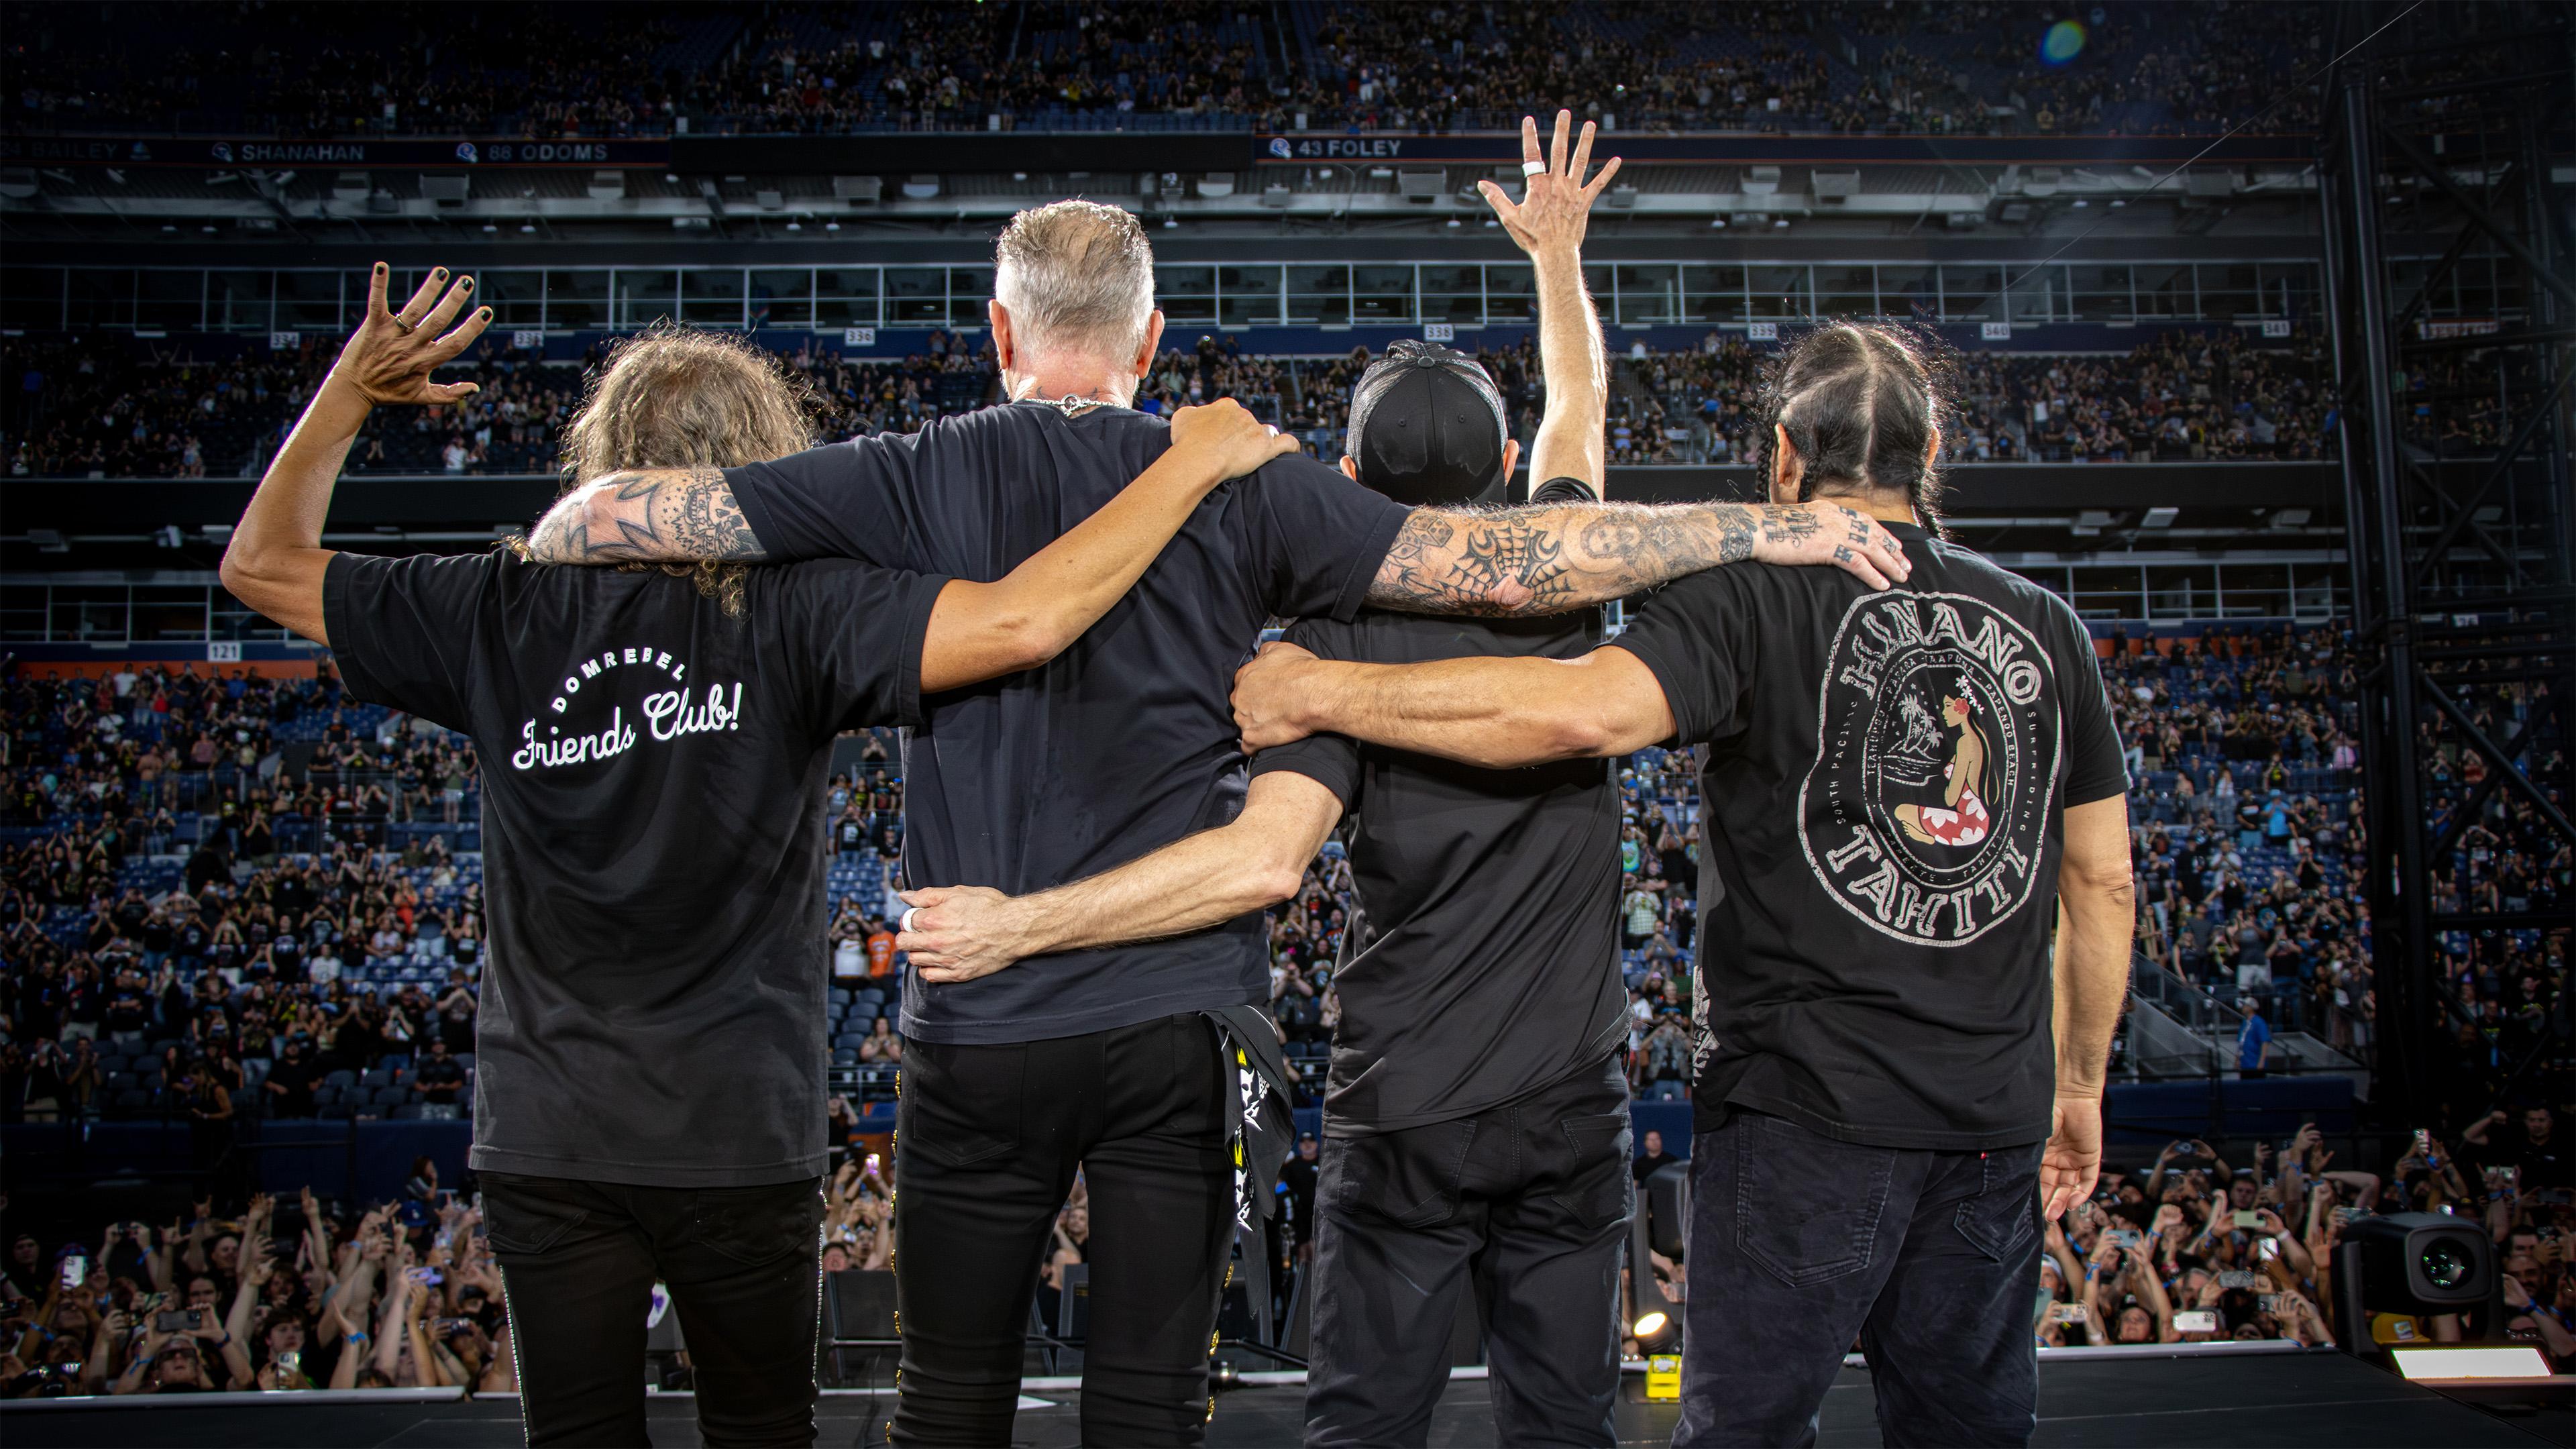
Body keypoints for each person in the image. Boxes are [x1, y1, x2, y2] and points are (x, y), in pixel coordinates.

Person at [523, 129, 1911, 1446]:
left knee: (948, 1410)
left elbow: (613, 518)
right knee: (1153, 1416)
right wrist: (1772, 526)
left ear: (1000, 337)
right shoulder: (1254, 488)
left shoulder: (910, 472)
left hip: (988, 1018)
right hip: (1184, 1023)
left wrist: (562, 534)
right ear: (1152, 343)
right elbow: (1515, 561)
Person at [215, 265, 1299, 1446]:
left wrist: (351, 392)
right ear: (765, 464)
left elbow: (260, 563)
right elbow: (1026, 619)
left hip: (548, 1126)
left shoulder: (491, 608)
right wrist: (1185, 464)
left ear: (606, 453)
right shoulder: (802, 614)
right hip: (739, 1126)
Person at [893, 114, 1680, 1448]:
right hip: (1570, 1092)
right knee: (1570, 1428)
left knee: (1362, 1425)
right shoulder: (1557, 578)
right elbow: (1581, 408)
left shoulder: (1321, 649)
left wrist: (1025, 921)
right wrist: (1558, 258)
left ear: (1354, 483)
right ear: (1502, 472)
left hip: (1409, 1099)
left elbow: (1265, 861)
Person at [1227, 319, 2135, 1447]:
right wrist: (2082, 1089)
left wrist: (1319, 691)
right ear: (1931, 445)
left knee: (1731, 1432)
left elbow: (1570, 712)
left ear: (1787, 454)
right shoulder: (2047, 626)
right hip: (1986, 1119)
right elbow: (2102, 885)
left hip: (1793, 1110)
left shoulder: (1744, 594)